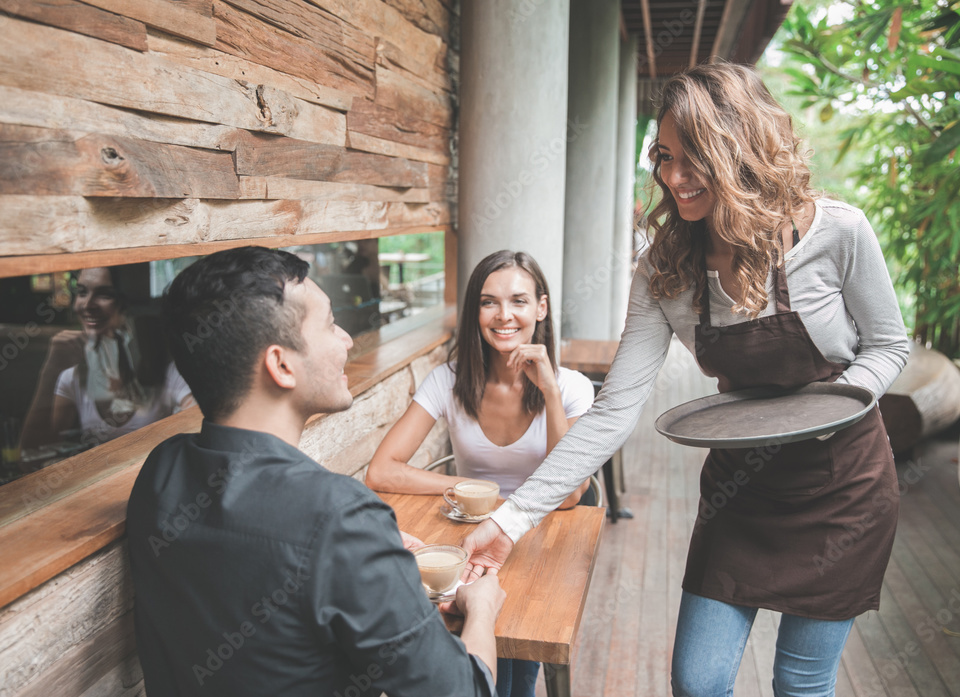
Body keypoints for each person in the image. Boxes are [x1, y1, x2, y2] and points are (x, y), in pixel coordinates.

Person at [461, 62, 910, 697]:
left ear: (741, 149)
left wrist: (834, 406)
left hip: (842, 486)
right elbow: (615, 409)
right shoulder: (663, 268)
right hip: (743, 491)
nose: (673, 178)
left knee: (800, 683)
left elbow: (890, 345)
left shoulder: (837, 232)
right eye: (665, 157)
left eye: (693, 156)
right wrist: (510, 521)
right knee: (696, 683)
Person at [127, 246, 506, 697]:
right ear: (281, 365)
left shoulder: (160, 471)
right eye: (330, 324)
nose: (347, 339)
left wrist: (365, 559)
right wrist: (482, 609)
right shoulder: (341, 517)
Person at [365, 249, 594, 697]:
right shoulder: (446, 380)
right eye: (488, 302)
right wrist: (474, 489)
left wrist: (549, 391)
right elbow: (381, 470)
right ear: (475, 311)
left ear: (541, 308)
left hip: (541, 539)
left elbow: (569, 494)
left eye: (518, 301)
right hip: (471, 536)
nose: (503, 315)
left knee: (519, 644)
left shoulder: (571, 388)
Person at [20, 266, 193, 452]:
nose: (87, 305)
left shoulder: (165, 370)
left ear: (125, 308)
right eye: (82, 292)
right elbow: (33, 455)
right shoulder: (72, 377)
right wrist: (52, 369)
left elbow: (197, 424)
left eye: (104, 294)